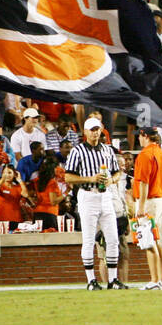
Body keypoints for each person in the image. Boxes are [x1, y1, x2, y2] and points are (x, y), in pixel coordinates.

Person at [64, 115, 127, 290]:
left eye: (97, 129)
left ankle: (112, 280)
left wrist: (111, 181)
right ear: (85, 132)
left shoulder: (108, 150)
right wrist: (90, 178)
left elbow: (117, 173)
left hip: (105, 195)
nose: (95, 133)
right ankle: (91, 280)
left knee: (113, 238)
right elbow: (67, 176)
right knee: (89, 239)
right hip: (87, 194)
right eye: (92, 130)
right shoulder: (78, 151)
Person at [133, 125, 162, 290]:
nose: (138, 139)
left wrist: (141, 205)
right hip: (161, 200)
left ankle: (155, 280)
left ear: (145, 136)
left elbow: (144, 182)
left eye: (140, 136)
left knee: (149, 242)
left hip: (148, 201)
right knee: (159, 241)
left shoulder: (145, 154)